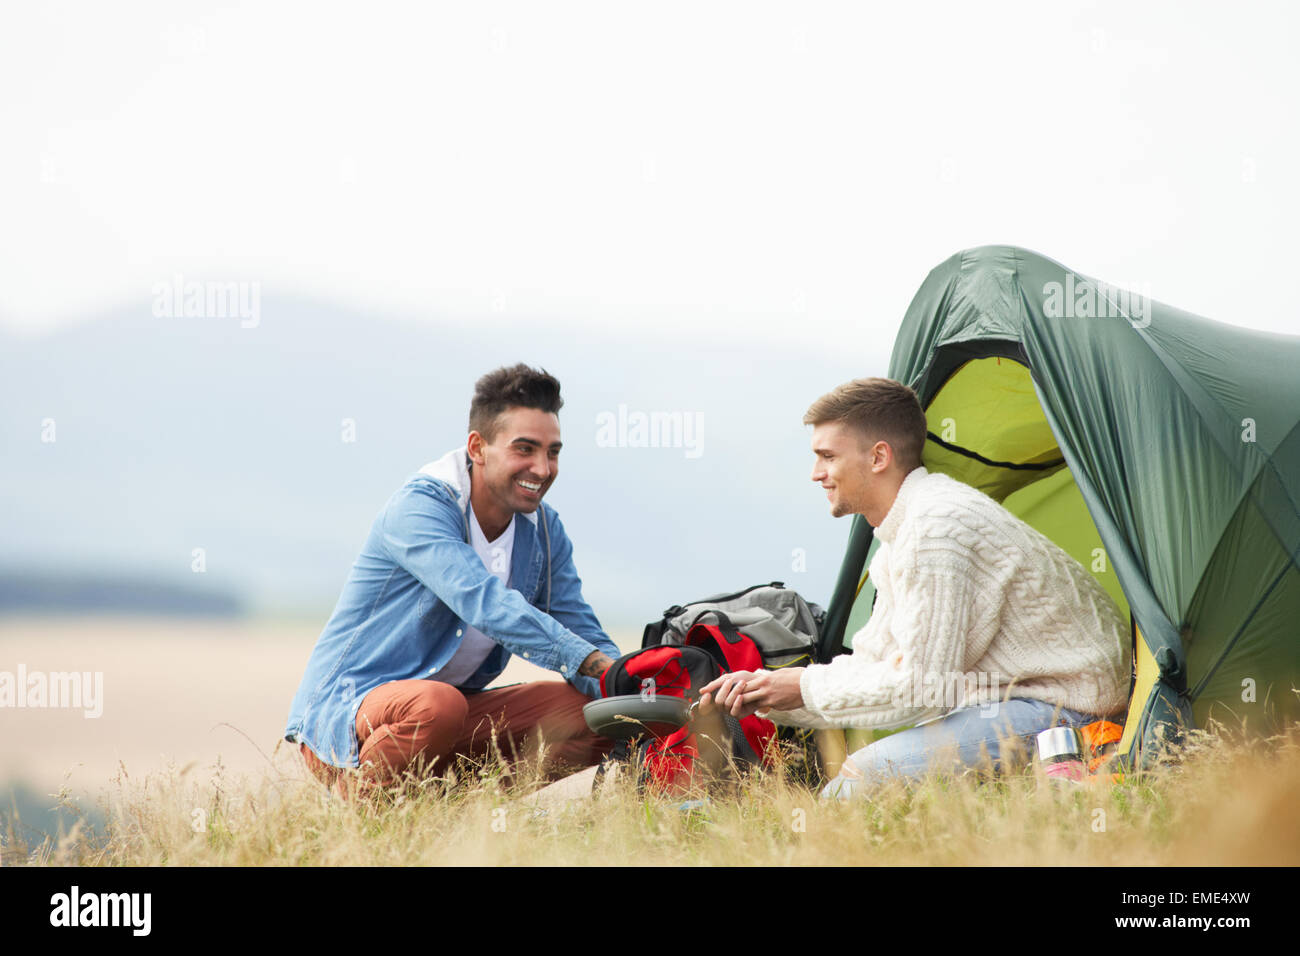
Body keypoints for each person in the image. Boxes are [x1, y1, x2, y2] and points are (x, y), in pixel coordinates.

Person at [699, 377, 1130, 799]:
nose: (816, 474)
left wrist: (801, 688)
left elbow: (925, 689)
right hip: (1010, 702)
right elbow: (874, 663)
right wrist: (768, 694)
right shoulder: (903, 533)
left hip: (1066, 711)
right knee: (850, 783)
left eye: (827, 456)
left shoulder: (937, 528)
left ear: (878, 457)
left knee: (853, 785)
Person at [284, 364, 620, 797]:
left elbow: (581, 629)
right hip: (354, 719)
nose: (542, 467)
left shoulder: (544, 532)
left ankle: (458, 815)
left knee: (605, 714)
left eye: (553, 452)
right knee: (437, 706)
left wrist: (632, 684)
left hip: (448, 723)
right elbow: (486, 604)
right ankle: (369, 823)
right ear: (478, 448)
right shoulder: (420, 508)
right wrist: (596, 664)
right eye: (525, 449)